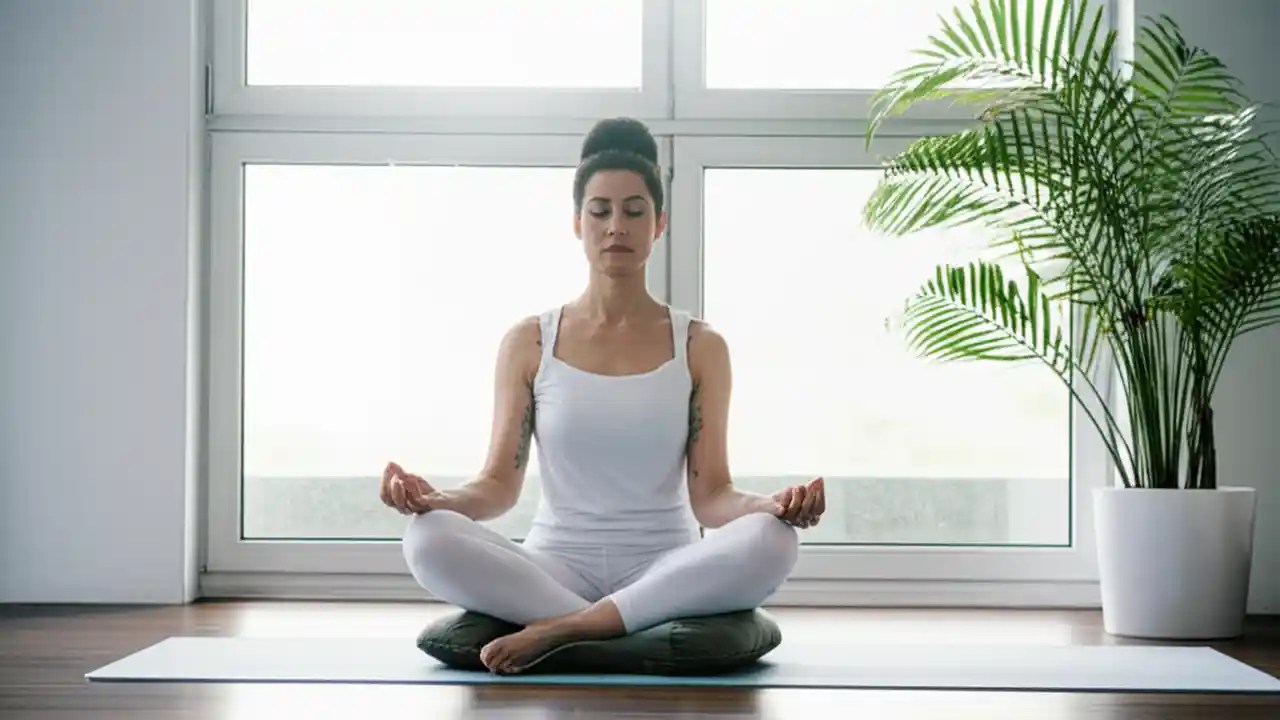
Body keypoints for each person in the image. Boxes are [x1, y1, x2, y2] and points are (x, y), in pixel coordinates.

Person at [381, 117, 826, 675]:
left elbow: (711, 497)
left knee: (774, 541)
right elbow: (497, 487)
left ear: (659, 223)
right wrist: (435, 500)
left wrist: (769, 507)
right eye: (600, 211)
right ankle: (621, 628)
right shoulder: (529, 341)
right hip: (555, 567)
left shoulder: (700, 345)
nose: (617, 226)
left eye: (635, 211)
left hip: (666, 563)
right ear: (577, 223)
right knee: (426, 539)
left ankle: (568, 631)